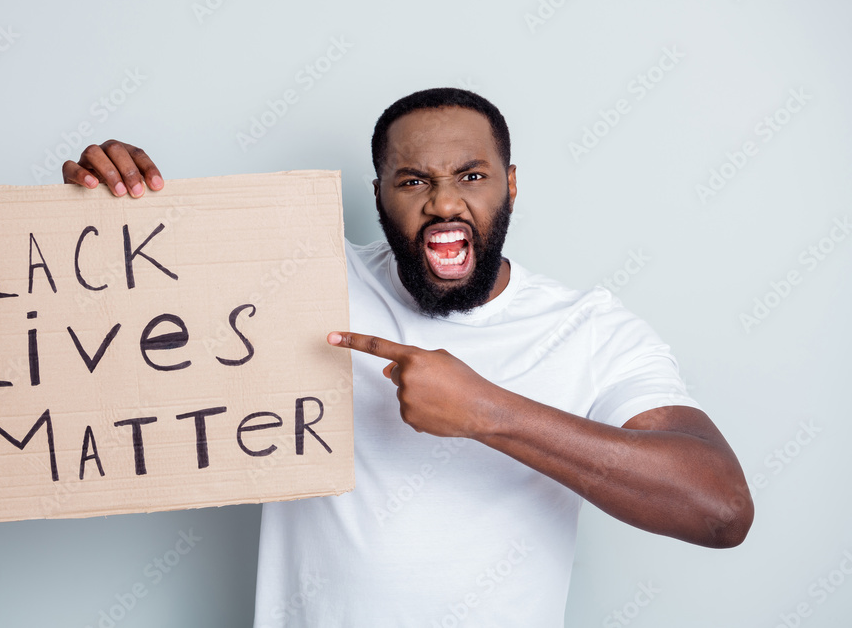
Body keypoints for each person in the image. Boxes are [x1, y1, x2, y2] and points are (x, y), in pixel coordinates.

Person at [63, 88, 753, 627]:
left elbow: (720, 508)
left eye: (472, 175)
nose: (445, 201)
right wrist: (98, 210)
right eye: (413, 180)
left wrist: (490, 412)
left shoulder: (589, 330)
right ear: (377, 196)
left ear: (510, 185)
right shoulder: (296, 281)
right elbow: (113, 324)